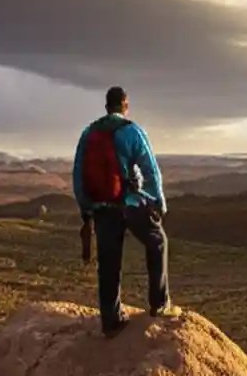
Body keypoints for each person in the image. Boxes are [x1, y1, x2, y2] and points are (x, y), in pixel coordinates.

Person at [72, 86, 180, 336]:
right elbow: (151, 170)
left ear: (106, 106)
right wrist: (158, 203)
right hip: (130, 204)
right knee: (158, 241)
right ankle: (160, 304)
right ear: (125, 104)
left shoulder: (88, 134)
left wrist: (86, 210)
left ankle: (110, 321)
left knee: (109, 264)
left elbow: (78, 175)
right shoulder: (132, 131)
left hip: (101, 208)